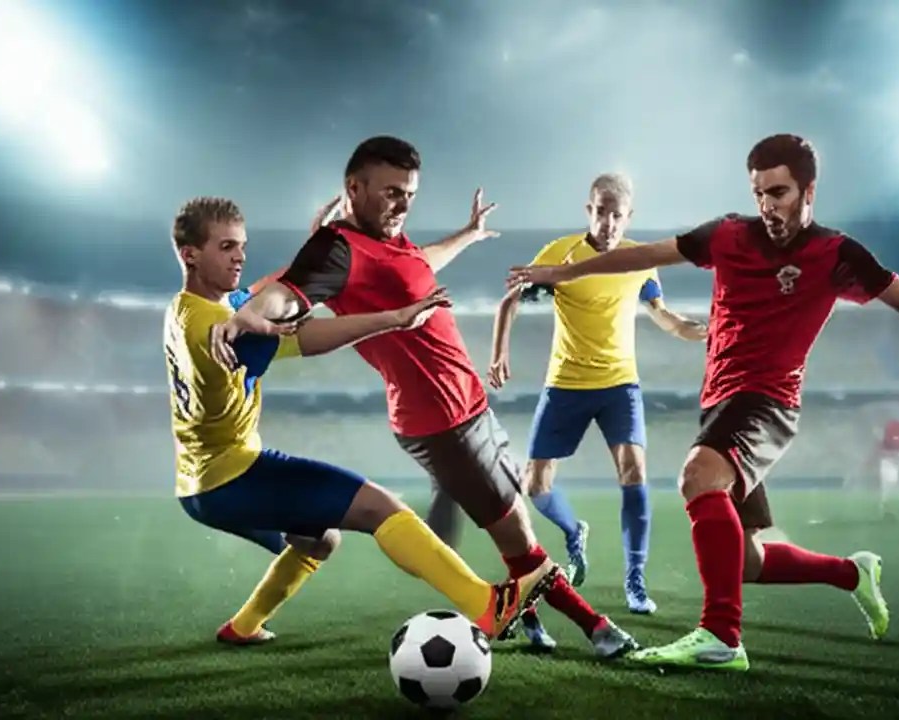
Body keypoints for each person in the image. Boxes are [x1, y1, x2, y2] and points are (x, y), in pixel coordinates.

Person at [507, 134, 899, 671]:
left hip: (768, 403)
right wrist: (562, 273)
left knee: (698, 476)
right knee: (744, 561)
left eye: (779, 192)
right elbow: (641, 255)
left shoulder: (836, 255)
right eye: (760, 193)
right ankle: (854, 573)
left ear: (809, 190)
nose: (768, 205)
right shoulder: (728, 234)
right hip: (720, 402)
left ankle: (721, 636)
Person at [210, 137, 638, 658]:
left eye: (409, 193)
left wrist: (469, 235)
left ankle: (530, 620)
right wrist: (249, 313)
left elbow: (419, 263)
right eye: (391, 192)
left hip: (470, 408)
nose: (402, 204)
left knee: (513, 522)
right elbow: (286, 292)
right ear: (354, 188)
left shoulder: (391, 241)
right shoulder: (335, 249)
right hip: (444, 423)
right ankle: (597, 628)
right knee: (520, 539)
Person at [164, 196, 552, 646]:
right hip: (232, 479)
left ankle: (243, 627)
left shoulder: (186, 308)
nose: (241, 256)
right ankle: (489, 607)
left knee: (319, 540)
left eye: (242, 246)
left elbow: (262, 296)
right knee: (380, 508)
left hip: (201, 483)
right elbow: (307, 335)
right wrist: (395, 318)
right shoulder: (224, 332)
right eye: (227, 246)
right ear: (190, 253)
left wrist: (312, 254)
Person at [487, 172, 704, 650]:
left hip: (619, 384)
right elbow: (511, 299)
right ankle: (572, 530)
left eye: (616, 214)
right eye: (600, 211)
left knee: (634, 469)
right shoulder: (560, 253)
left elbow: (662, 314)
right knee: (535, 485)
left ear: (629, 217)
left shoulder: (640, 261)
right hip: (565, 383)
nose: (607, 222)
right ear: (589, 210)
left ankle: (635, 580)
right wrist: (499, 352)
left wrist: (696, 329)